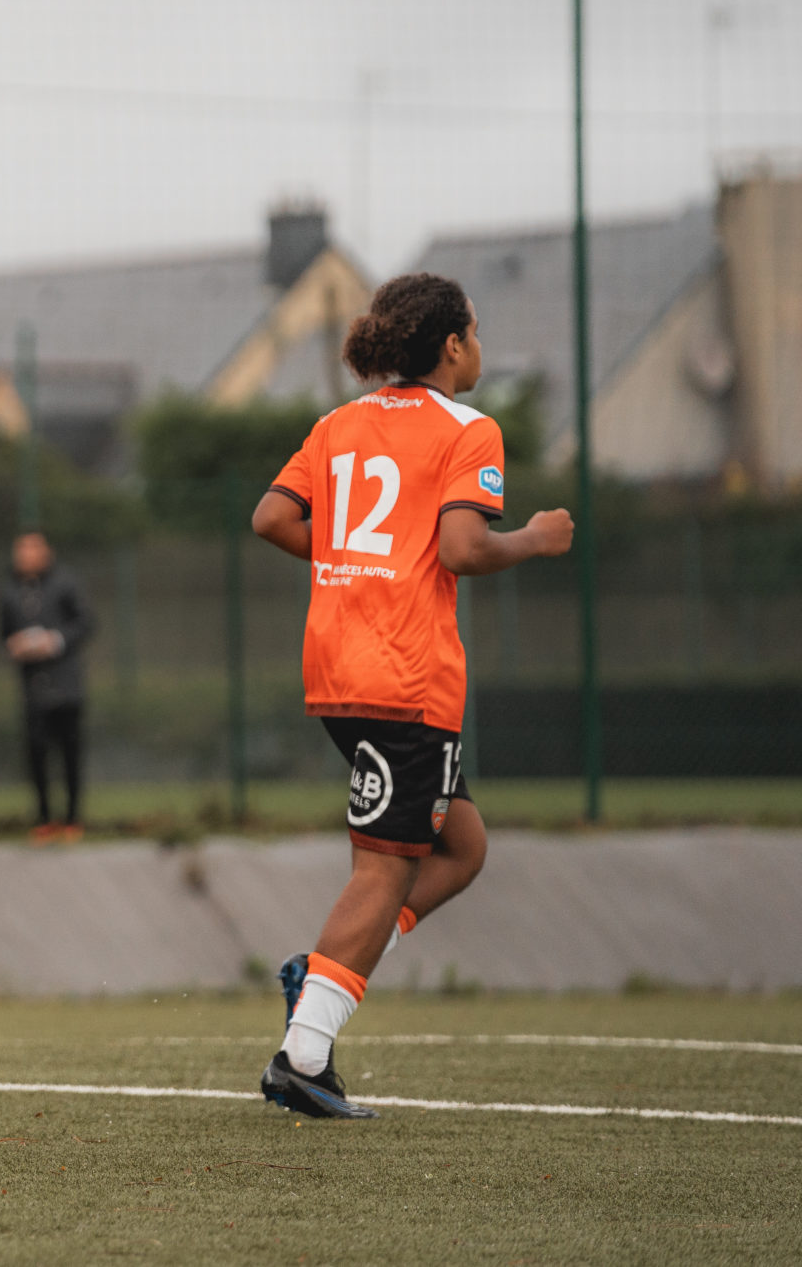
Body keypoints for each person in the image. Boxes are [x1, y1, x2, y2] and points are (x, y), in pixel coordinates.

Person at [251, 272, 570, 1120]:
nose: (480, 346)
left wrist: (363, 552)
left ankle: (319, 973)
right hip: (403, 675)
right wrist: (534, 537)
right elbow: (464, 548)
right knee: (386, 866)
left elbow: (272, 519)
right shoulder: (470, 429)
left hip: (337, 669)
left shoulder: (336, 424)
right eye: (477, 331)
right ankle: (304, 1055)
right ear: (453, 343)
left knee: (460, 847)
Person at [0, 530, 92, 840]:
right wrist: (15, 646)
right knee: (36, 752)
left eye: (32, 547)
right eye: (21, 547)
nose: (26, 553)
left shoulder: (65, 583)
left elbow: (86, 622)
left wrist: (55, 640)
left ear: (46, 551)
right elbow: (2, 636)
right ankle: (44, 818)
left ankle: (72, 819)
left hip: (66, 686)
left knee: (69, 752)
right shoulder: (10, 591)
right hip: (33, 688)